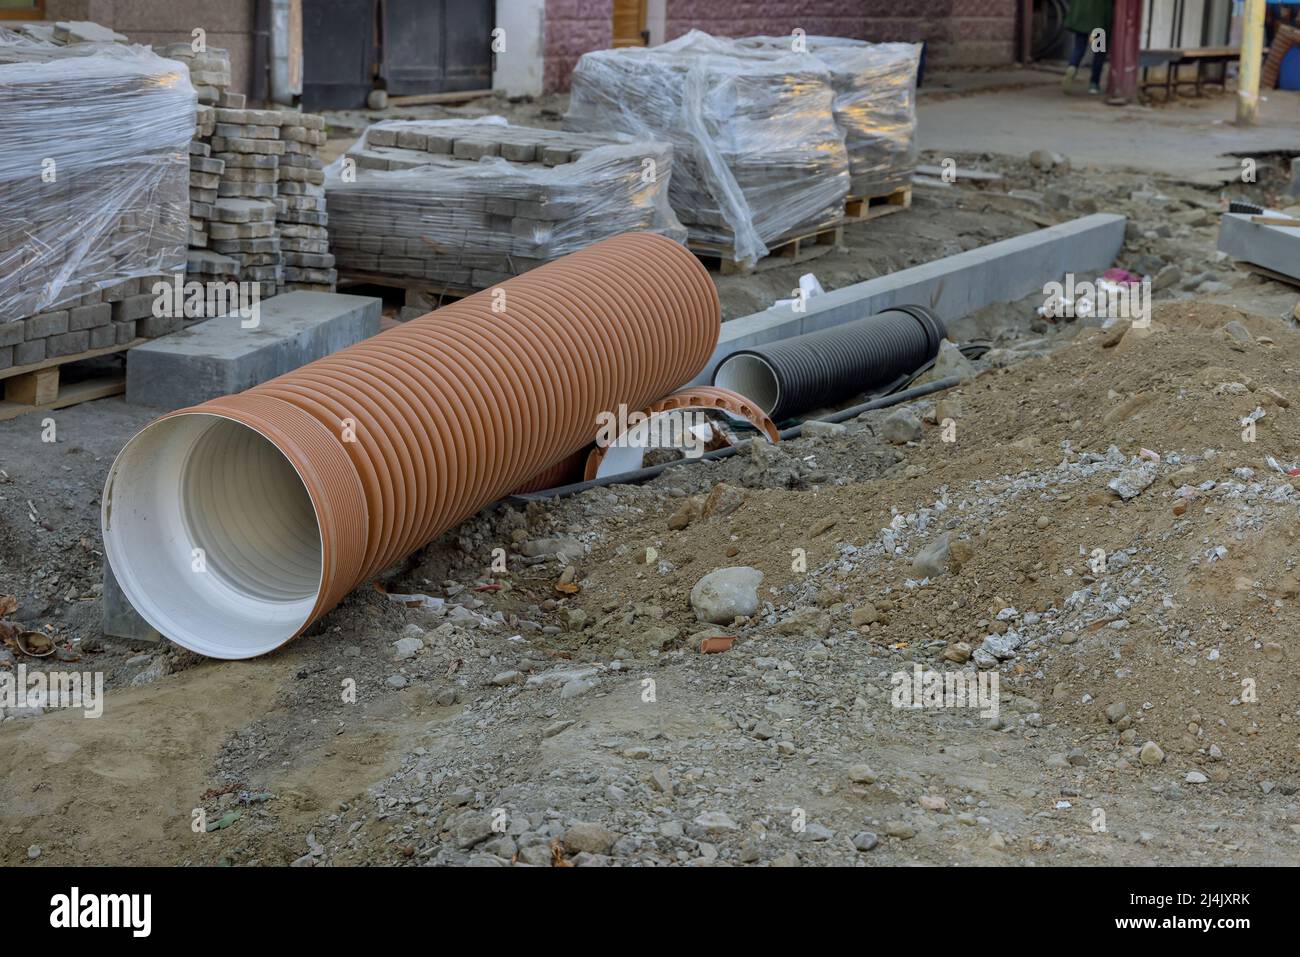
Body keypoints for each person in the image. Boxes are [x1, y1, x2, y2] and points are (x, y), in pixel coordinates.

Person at [1062, 0, 1115, 95]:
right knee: (1099, 51)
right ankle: (1094, 84)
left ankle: (1072, 66)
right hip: (1099, 17)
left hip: (1082, 14)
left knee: (1079, 47)